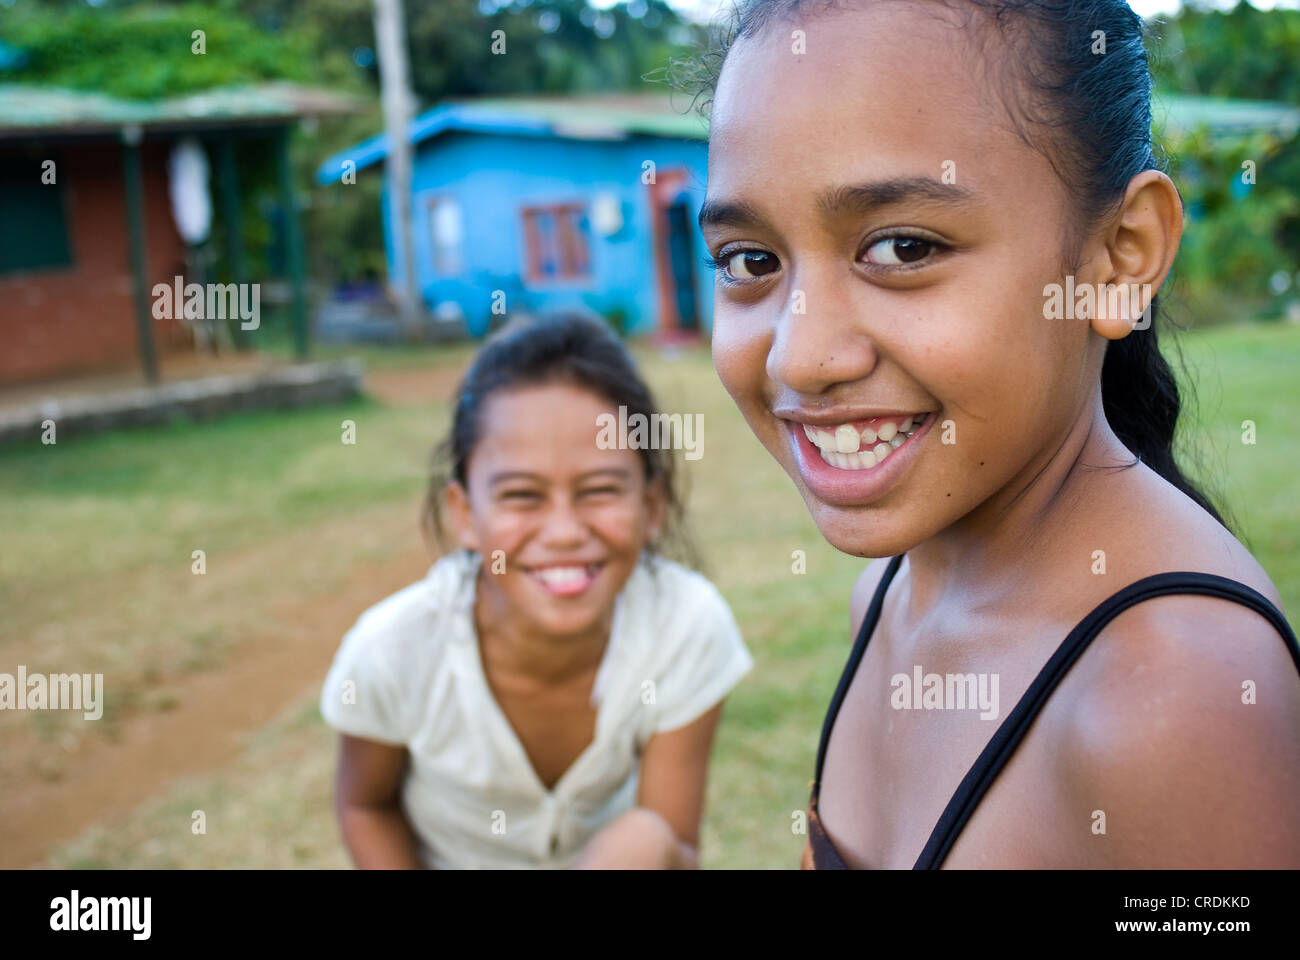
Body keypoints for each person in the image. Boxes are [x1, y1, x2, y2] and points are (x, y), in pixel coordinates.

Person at [696, 0, 1300, 867]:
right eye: (750, 261)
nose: (802, 355)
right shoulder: (890, 591)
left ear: (1121, 256)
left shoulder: (1171, 695)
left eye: (902, 248)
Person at [320, 312, 752, 868]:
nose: (565, 533)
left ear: (651, 506)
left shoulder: (685, 626)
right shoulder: (394, 649)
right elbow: (365, 806)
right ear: (465, 515)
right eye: (522, 495)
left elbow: (673, 848)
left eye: (599, 490)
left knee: (639, 840)